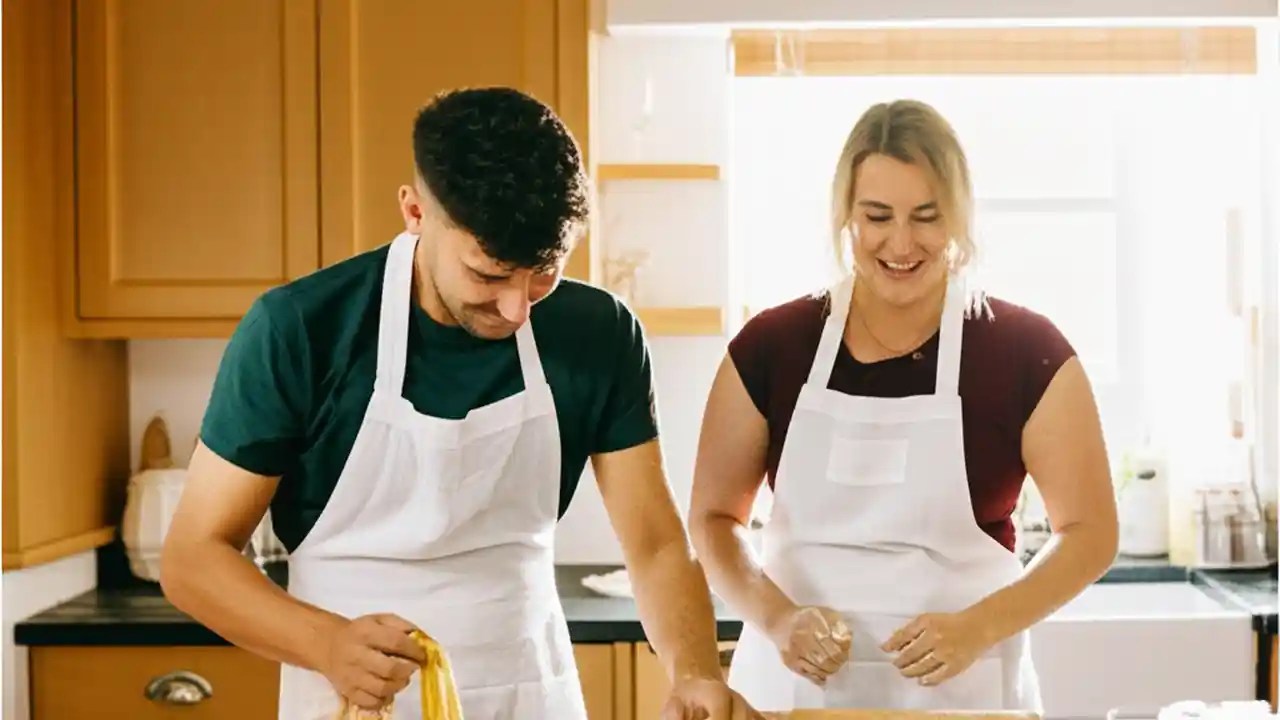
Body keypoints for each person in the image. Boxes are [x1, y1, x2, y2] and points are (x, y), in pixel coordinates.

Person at [161, 87, 761, 720]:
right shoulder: (301, 329)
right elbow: (193, 558)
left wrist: (694, 672)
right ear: (415, 212)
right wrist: (327, 644)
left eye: (544, 272)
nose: (517, 308)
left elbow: (656, 545)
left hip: (530, 693)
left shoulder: (599, 333)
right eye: (489, 274)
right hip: (355, 698)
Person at [689, 99, 1119, 712]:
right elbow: (712, 518)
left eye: (926, 216)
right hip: (793, 698)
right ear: (847, 214)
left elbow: (1091, 533)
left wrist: (979, 627)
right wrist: (778, 618)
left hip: (963, 699)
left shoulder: (1027, 352)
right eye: (877, 216)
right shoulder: (771, 347)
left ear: (959, 216)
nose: (900, 242)